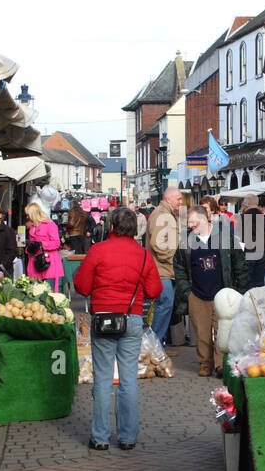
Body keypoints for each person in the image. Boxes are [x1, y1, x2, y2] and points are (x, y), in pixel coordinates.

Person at [73, 208, 163, 452]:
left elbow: (81, 285)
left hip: (103, 318)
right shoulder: (144, 255)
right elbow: (155, 291)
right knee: (128, 380)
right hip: (131, 318)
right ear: (135, 229)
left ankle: (100, 437)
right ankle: (127, 437)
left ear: (111, 226)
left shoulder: (97, 250)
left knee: (102, 379)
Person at [174, 204, 248, 376]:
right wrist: (187, 292)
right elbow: (178, 266)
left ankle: (221, 364)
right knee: (202, 333)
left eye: (193, 222)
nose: (190, 226)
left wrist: (238, 290)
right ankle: (205, 363)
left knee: (223, 330)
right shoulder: (186, 240)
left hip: (222, 293)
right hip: (197, 294)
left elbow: (240, 263)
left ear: (204, 219)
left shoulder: (225, 237)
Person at [145, 186, 183, 353]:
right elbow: (158, 244)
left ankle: (159, 344)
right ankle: (155, 345)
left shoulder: (167, 214)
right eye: (179, 199)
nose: (181, 202)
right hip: (162, 270)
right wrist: (172, 259)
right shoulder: (162, 215)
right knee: (164, 304)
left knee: (165, 305)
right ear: (169, 199)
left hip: (165, 269)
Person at [25, 201, 65, 291]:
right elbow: (32, 244)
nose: (27, 217)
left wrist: (41, 245)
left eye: (28, 214)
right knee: (35, 292)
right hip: (35, 263)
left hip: (48, 262)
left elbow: (56, 243)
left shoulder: (50, 225)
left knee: (49, 293)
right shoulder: (32, 227)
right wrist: (29, 249)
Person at [238, 194, 265, 289]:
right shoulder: (263, 217)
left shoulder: (243, 217)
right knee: (259, 283)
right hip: (262, 253)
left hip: (249, 254)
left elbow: (239, 238)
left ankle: (249, 303)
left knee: (248, 284)